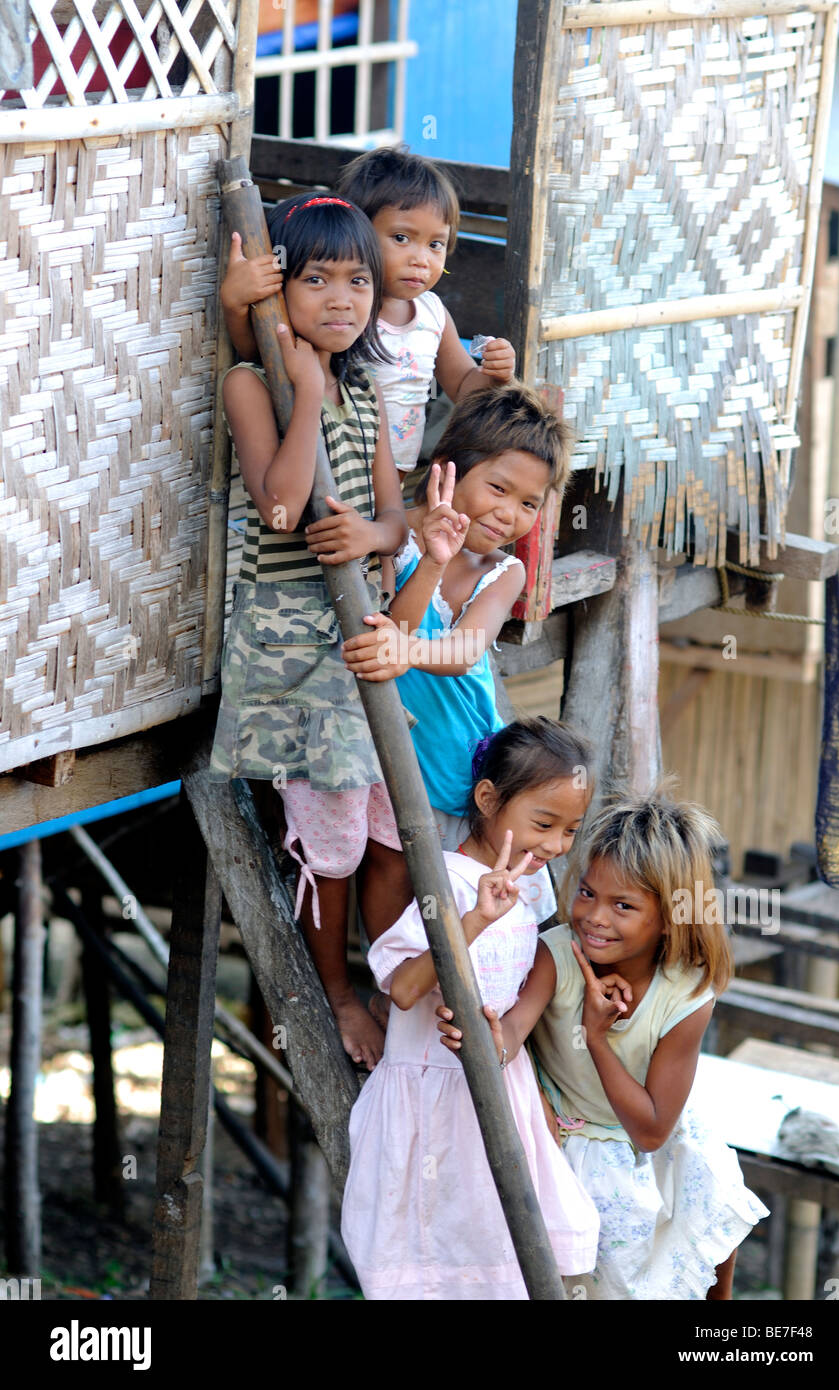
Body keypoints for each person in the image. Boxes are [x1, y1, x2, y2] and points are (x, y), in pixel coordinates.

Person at [210, 191, 412, 1071]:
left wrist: (372, 535)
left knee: (388, 825)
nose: (340, 298)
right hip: (292, 648)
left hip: (359, 638)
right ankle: (333, 992)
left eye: (358, 281)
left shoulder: (365, 390)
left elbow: (397, 519)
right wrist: (300, 393)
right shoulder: (251, 385)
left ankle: (394, 978)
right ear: (275, 291)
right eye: (316, 279)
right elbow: (283, 505)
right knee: (328, 834)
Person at [438, 788, 770, 1300]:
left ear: (668, 918)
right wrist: (482, 1039)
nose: (595, 916)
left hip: (649, 1145)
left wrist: (596, 1037)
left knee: (709, 1215)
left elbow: (654, 1130)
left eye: (624, 905)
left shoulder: (687, 992)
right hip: (572, 1144)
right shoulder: (558, 956)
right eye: (588, 893)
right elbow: (509, 1038)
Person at [341, 719, 600, 1300]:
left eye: (569, 831)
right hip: (433, 1099)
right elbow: (403, 990)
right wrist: (477, 917)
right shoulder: (449, 884)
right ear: (487, 799)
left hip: (497, 1090)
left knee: (500, 1248)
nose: (557, 846)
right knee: (439, 1249)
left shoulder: (529, 888)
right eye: (544, 824)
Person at [341, 384, 570, 920]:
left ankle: (469, 992)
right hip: (393, 746)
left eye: (529, 503)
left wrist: (406, 651)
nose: (508, 513)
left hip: (460, 752)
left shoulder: (503, 570)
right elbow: (391, 624)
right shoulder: (397, 533)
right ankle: (391, 984)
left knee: (464, 880)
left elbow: (465, 650)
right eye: (498, 488)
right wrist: (434, 563)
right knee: (390, 864)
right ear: (448, 468)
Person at [219, 145, 516, 483]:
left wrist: (493, 373)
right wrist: (235, 304)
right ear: (356, 232)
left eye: (436, 244)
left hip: (397, 480)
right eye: (402, 237)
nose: (422, 259)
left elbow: (463, 385)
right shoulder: (345, 313)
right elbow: (262, 352)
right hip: (333, 469)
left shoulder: (433, 313)